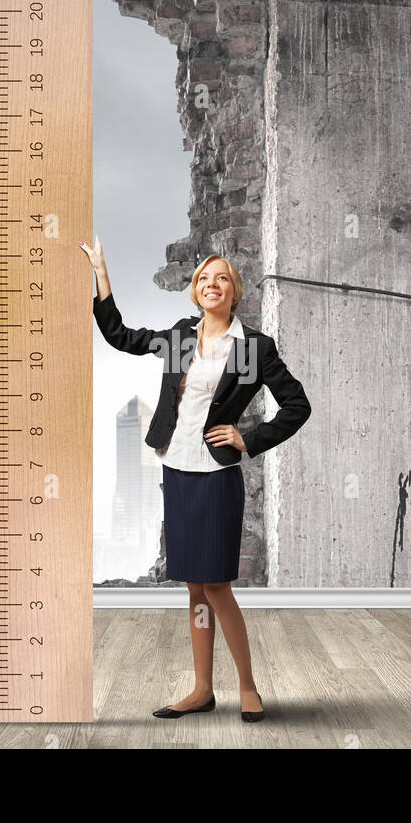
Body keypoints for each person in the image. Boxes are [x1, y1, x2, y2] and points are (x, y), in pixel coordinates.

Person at [80, 234, 311, 723]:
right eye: (204, 278)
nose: (212, 284)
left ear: (235, 291)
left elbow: (298, 405)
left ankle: (247, 687)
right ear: (194, 291)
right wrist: (102, 274)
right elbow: (121, 335)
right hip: (177, 469)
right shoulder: (179, 336)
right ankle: (202, 689)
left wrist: (249, 438)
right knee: (193, 588)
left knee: (218, 586)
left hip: (216, 476)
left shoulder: (253, 347)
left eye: (221, 278)